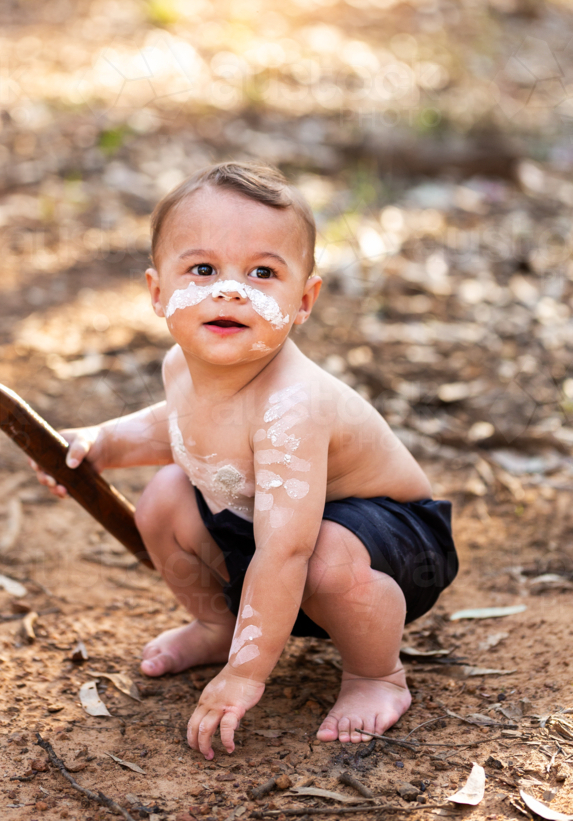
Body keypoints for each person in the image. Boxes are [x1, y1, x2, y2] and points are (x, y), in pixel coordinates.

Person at [29, 162, 458, 761]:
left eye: (263, 273)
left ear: (303, 299)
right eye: (202, 269)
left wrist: (247, 673)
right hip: (275, 535)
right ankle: (216, 626)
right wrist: (99, 445)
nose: (230, 290)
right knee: (165, 497)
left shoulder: (294, 404)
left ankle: (375, 675)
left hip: (396, 545)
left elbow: (288, 549)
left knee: (324, 553)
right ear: (158, 293)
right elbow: (178, 427)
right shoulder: (181, 367)